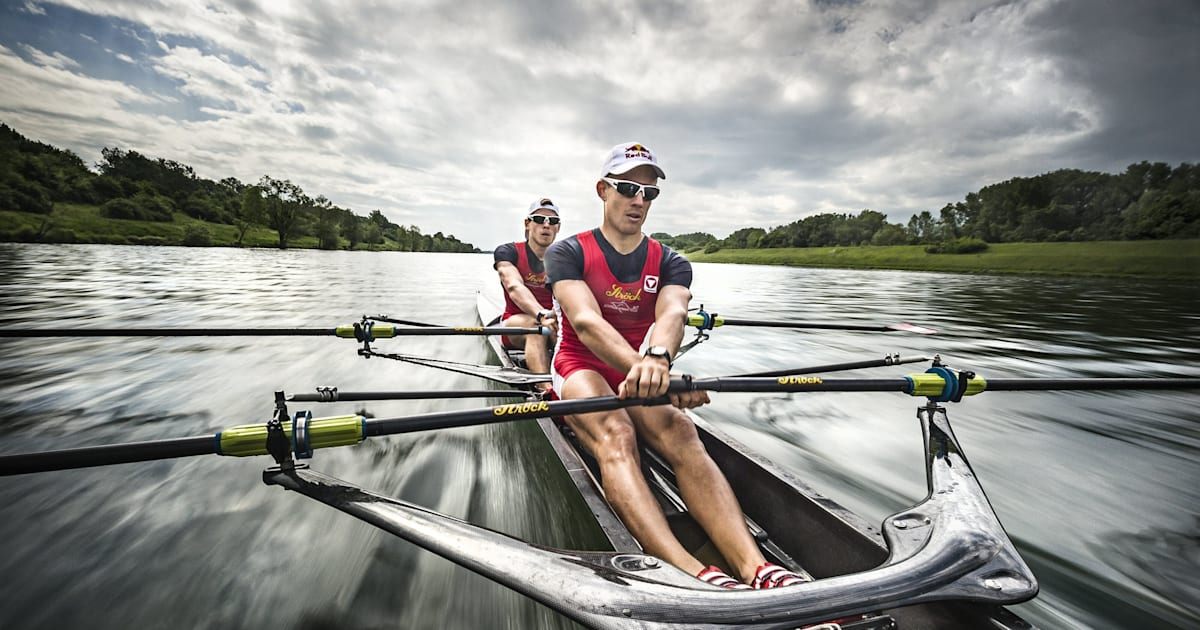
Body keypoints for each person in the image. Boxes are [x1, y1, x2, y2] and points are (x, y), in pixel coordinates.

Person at [544, 142, 806, 590]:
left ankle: (757, 569)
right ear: (603, 190)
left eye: (650, 192)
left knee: (683, 431)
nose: (639, 200)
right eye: (628, 188)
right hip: (578, 365)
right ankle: (688, 571)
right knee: (617, 433)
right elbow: (586, 322)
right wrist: (644, 369)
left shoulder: (670, 261)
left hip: (639, 369)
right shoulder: (567, 252)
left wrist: (660, 359)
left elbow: (673, 315)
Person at [493, 198, 562, 391]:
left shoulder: (565, 257)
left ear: (558, 228)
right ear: (527, 223)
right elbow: (514, 286)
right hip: (516, 326)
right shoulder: (508, 251)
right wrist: (542, 314)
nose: (546, 225)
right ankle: (546, 389)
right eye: (539, 219)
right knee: (536, 327)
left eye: (553, 221)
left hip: (554, 324)